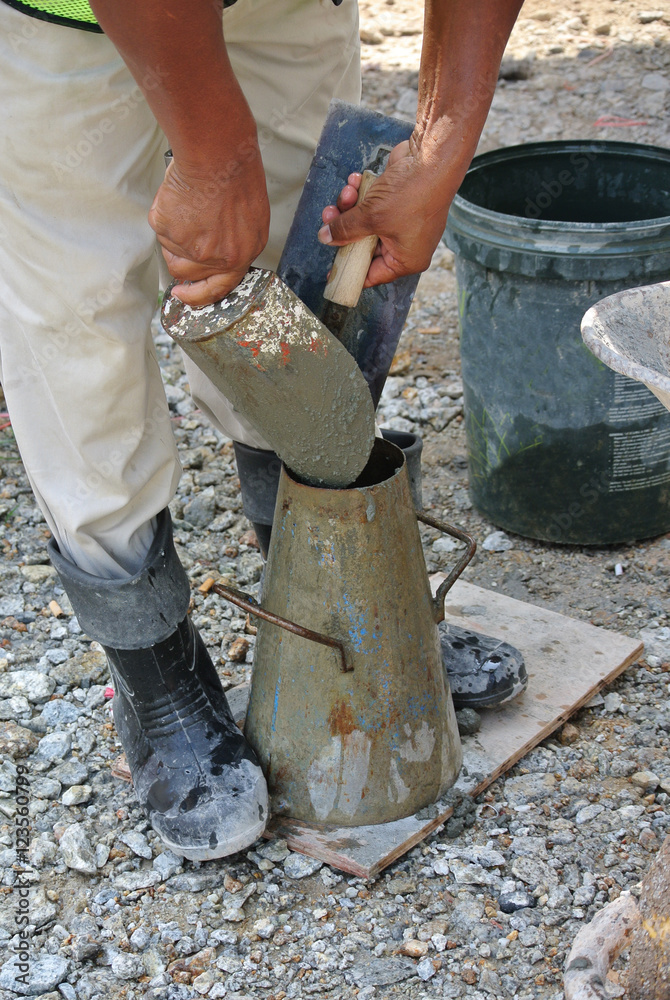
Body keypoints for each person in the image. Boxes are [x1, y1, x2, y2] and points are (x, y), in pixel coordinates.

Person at [0, 0, 524, 860]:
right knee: (77, 318)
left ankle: (333, 585)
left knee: (297, 257)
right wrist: (213, 158)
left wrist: (439, 148)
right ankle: (155, 671)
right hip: (70, 19)